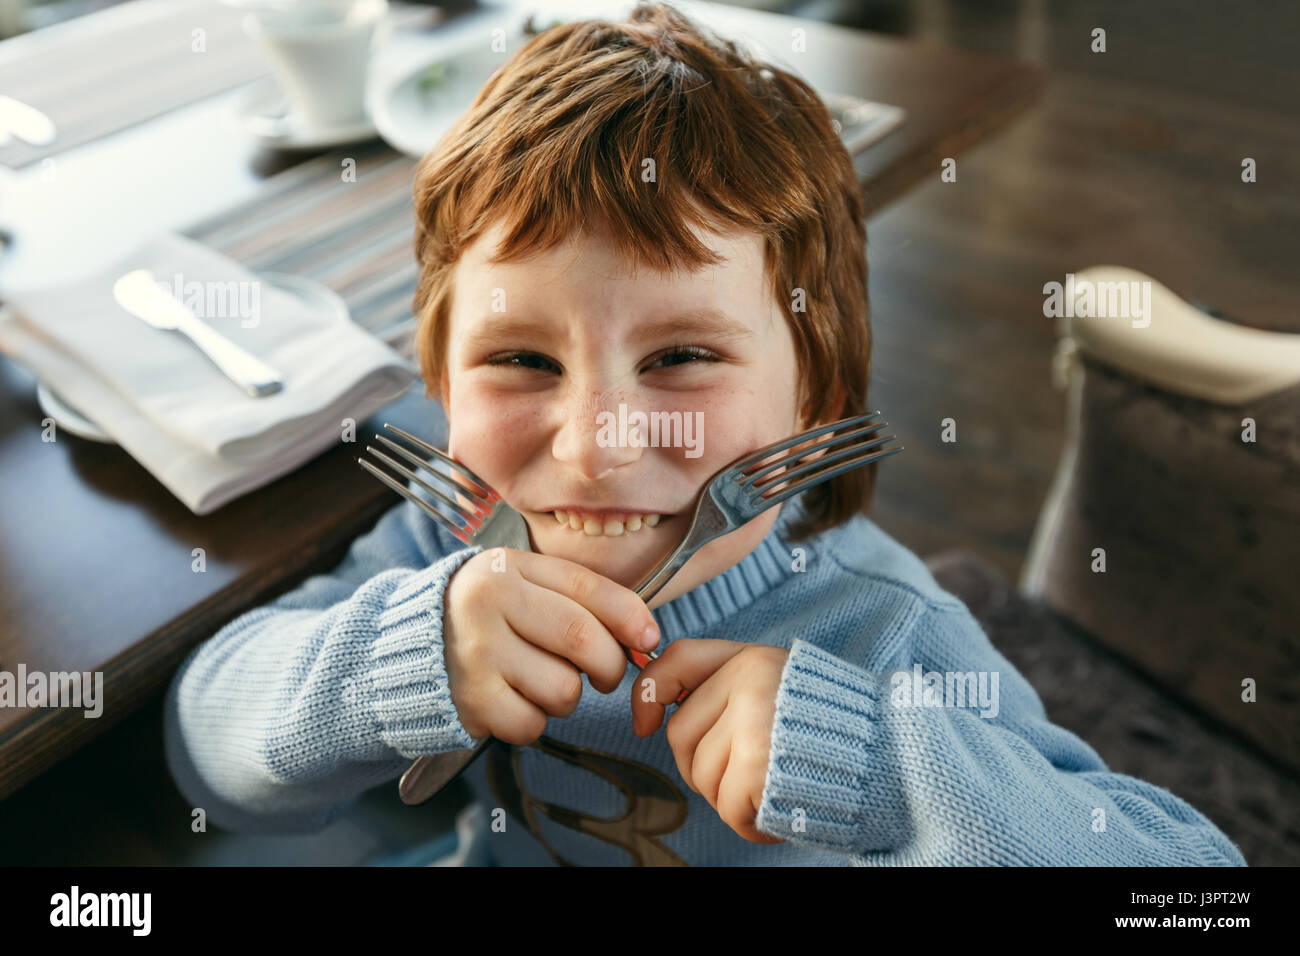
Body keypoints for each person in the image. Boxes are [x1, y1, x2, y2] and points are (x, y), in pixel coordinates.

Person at [164, 1, 1245, 866]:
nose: (594, 446)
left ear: (816, 392)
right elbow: (205, 749)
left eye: (681, 357)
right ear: (441, 384)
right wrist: (391, 664)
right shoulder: (451, 550)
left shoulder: (883, 635)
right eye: (522, 360)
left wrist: (880, 769)